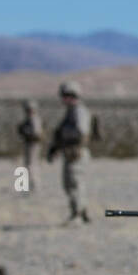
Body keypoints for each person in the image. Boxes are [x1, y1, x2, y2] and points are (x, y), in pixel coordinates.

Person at [47, 81, 100, 223]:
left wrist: (64, 134)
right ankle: (79, 212)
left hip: (77, 153)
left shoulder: (79, 111)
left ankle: (78, 214)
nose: (63, 99)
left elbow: (81, 131)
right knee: (69, 184)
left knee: (75, 183)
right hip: (70, 152)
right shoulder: (71, 111)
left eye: (65, 96)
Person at [17, 100, 44, 194]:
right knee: (28, 165)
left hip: (33, 145)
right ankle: (28, 186)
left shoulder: (34, 119)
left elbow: (37, 134)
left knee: (31, 166)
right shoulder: (29, 119)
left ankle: (34, 187)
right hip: (29, 145)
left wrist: (25, 132)